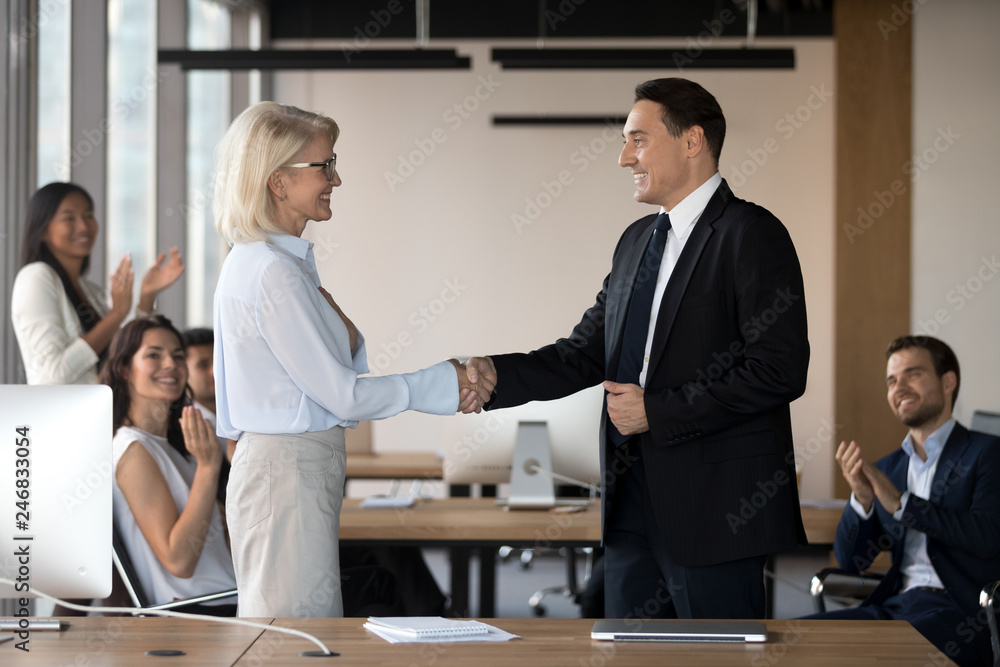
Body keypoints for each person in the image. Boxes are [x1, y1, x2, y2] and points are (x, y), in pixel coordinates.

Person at [466, 77, 809, 619]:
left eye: (638, 140)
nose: (625, 157)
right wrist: (492, 376)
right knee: (630, 651)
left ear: (692, 141)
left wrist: (658, 410)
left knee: (714, 663)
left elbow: (779, 369)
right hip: (630, 505)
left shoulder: (752, 234)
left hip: (717, 512)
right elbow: (582, 352)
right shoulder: (635, 241)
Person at [211, 101, 488, 618]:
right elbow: (342, 393)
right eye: (325, 166)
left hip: (294, 469)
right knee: (294, 641)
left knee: (300, 631)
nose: (336, 179)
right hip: (288, 471)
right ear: (277, 182)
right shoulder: (272, 271)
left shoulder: (274, 265)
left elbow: (339, 371)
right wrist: (443, 382)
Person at [804, 336, 999, 667]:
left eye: (913, 374)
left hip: (962, 614)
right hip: (895, 606)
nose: (900, 387)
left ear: (948, 381)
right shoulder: (888, 469)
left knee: (877, 658)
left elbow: (988, 537)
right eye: (892, 381)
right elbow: (851, 564)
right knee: (800, 640)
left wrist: (904, 506)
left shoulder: (988, 452)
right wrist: (862, 502)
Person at [102, 316, 237, 616]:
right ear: (125, 368)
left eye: (177, 356)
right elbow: (179, 561)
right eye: (154, 355)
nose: (170, 364)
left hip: (233, 598)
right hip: (206, 611)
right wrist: (208, 468)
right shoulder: (133, 450)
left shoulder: (174, 446)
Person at [11, 182, 184, 385]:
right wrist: (116, 315)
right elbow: (53, 375)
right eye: (69, 218)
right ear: (42, 230)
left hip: (101, 412)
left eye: (88, 216)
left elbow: (125, 357)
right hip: (61, 414)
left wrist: (146, 297)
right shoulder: (36, 276)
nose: (84, 226)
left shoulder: (89, 290)